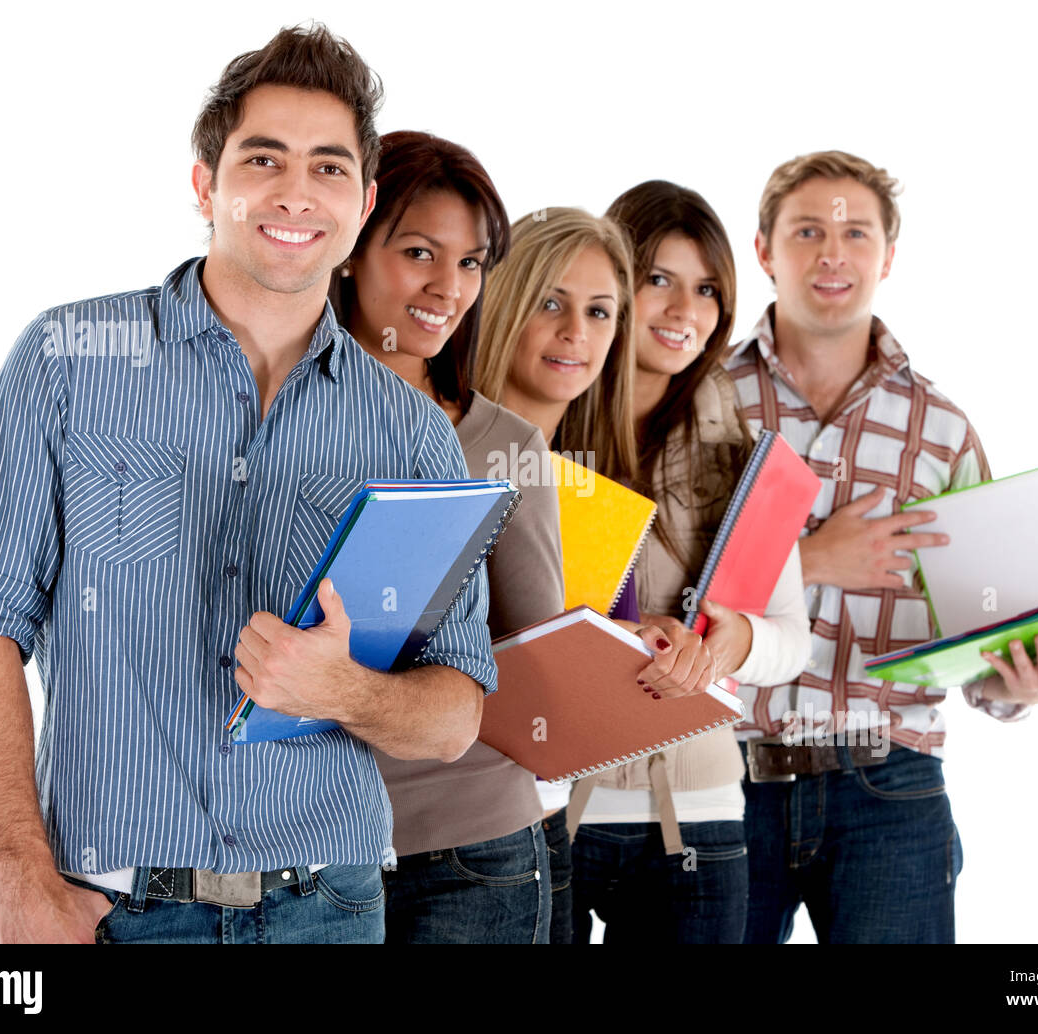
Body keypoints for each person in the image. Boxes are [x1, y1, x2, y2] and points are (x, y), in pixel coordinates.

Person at [0, 24, 499, 945]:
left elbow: (453, 716)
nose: (295, 193)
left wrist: (343, 690)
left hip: (331, 905)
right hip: (117, 905)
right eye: (263, 159)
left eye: (329, 168)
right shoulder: (69, 359)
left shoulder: (412, 432)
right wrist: (20, 880)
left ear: (363, 204)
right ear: (206, 185)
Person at [725, 150, 1038, 943]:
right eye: (808, 230)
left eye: (855, 232)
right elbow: (661, 583)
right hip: (726, 783)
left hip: (891, 793)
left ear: (888, 256)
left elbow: (981, 629)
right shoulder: (707, 398)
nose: (832, 252)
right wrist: (811, 563)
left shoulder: (940, 431)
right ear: (766, 251)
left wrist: (1021, 684)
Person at [558, 181, 810, 943]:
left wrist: (728, 641)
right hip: (548, 812)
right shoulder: (537, 423)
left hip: (696, 816)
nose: (683, 311)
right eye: (658, 280)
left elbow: (790, 639)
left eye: (706, 290)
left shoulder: (737, 448)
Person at [328, 130, 559, 943]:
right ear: (350, 246)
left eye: (471, 263)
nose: (448, 286)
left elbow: (532, 653)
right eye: (421, 252)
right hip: (301, 855)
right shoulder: (268, 423)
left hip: (470, 853)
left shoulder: (505, 448)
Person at [475, 206, 717, 941]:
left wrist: (647, 650)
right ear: (504, 300)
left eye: (600, 311)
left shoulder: (594, 490)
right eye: (551, 301)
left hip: (549, 826)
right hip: (457, 832)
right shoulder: (446, 445)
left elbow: (568, 681)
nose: (576, 331)